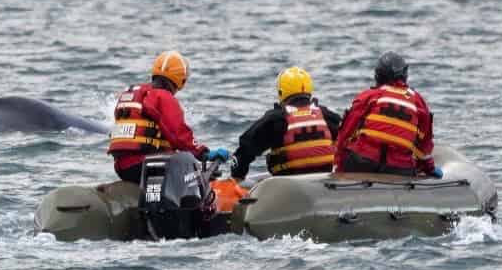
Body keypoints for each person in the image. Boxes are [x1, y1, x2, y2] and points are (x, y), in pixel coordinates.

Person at [107, 51, 229, 183]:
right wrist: (203, 153)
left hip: (121, 167)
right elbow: (179, 135)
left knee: (183, 161)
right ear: (180, 80)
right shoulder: (163, 97)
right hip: (146, 166)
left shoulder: (131, 94)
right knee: (188, 162)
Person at [332, 51, 441, 178]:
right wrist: (429, 168)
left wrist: (338, 168)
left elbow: (345, 133)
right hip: (399, 169)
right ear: (404, 75)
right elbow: (424, 144)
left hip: (363, 164)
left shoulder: (370, 96)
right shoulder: (418, 101)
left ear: (378, 75)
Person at [227, 66, 343, 181]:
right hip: (326, 183)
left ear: (281, 93)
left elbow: (244, 152)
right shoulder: (327, 116)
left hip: (288, 185)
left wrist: (237, 178)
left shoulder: (276, 119)